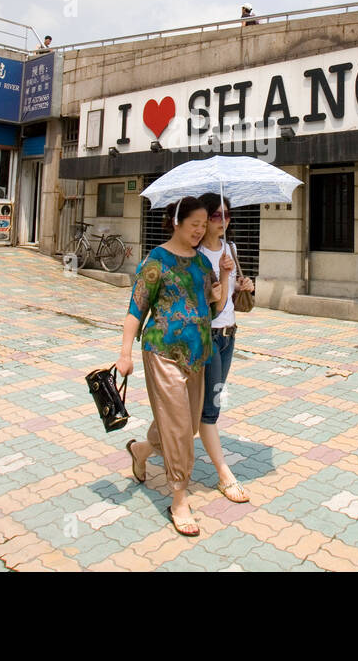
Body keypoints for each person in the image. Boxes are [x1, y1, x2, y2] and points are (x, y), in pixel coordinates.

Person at [118, 196, 231, 536]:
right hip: (162, 352)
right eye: (194, 224)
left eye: (203, 224)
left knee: (183, 423)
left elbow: (216, 305)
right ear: (177, 222)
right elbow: (136, 309)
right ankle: (178, 498)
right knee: (180, 427)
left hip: (199, 353)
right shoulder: (157, 260)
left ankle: (141, 449)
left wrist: (224, 278)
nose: (200, 230)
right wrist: (124, 354)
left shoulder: (202, 263)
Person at [197, 193, 256, 503]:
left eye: (228, 215)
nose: (224, 220)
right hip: (206, 337)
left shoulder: (230, 248)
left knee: (197, 406)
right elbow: (207, 308)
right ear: (205, 219)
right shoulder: (195, 255)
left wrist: (242, 285)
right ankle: (224, 474)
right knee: (210, 409)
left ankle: (143, 448)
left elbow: (231, 299)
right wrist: (220, 275)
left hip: (229, 336)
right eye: (217, 215)